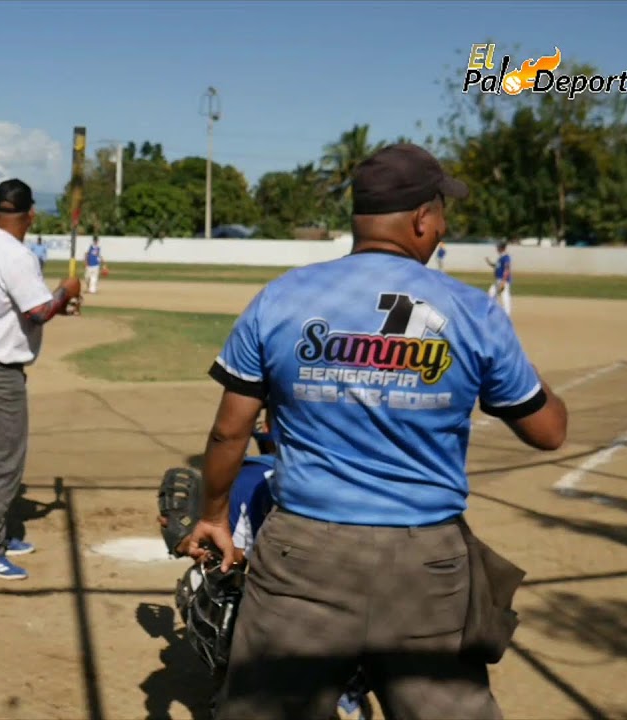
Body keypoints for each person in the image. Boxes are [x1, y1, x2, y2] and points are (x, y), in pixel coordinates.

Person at [184, 143, 568, 720]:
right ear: (420, 218)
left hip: (302, 554)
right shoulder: (472, 312)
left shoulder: (281, 297)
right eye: (442, 213)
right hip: (427, 565)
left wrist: (215, 513)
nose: (443, 226)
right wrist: (504, 356)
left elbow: (228, 433)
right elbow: (549, 431)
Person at [158, 415, 373, 720]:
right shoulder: (373, 476)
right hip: (375, 620)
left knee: (205, 586)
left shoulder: (246, 480)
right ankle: (346, 694)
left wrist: (191, 543)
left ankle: (241, 691)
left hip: (297, 627)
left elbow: (233, 558)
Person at [0, 178, 81, 581]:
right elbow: (38, 312)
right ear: (30, 215)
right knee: (4, 462)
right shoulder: (15, 255)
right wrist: (66, 292)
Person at [486, 240, 513, 314]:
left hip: (503, 280)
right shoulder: (501, 257)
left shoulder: (506, 257)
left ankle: (507, 313)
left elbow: (507, 269)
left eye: (498, 246)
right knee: (491, 292)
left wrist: (503, 281)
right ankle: (492, 310)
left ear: (501, 248)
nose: (496, 248)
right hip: (498, 280)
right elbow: (497, 266)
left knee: (504, 296)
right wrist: (489, 263)